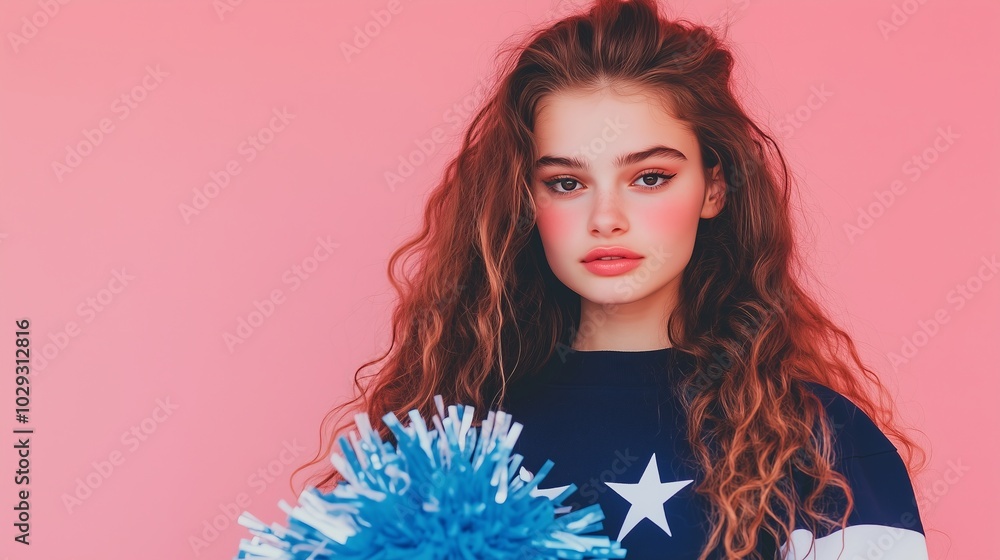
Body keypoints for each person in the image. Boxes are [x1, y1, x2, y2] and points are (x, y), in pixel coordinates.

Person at [292, 0, 930, 558]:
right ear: (527, 201)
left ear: (715, 187)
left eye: (650, 177)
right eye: (566, 183)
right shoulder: (450, 441)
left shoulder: (823, 446)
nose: (606, 219)